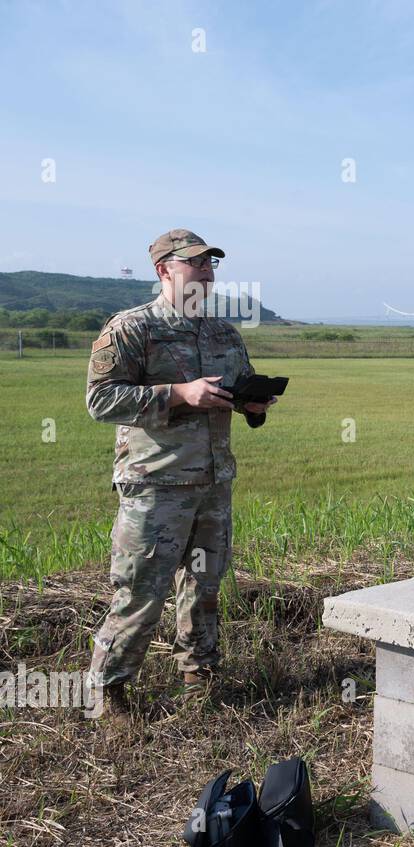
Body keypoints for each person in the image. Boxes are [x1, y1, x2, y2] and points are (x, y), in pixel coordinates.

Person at [85, 228, 276, 725]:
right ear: (164, 270)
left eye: (211, 264)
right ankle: (109, 693)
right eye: (195, 263)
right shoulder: (131, 329)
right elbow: (101, 401)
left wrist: (254, 404)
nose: (206, 272)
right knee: (141, 591)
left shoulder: (223, 334)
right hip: (156, 484)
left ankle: (200, 678)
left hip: (213, 482)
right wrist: (177, 393)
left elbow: (236, 395)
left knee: (204, 586)